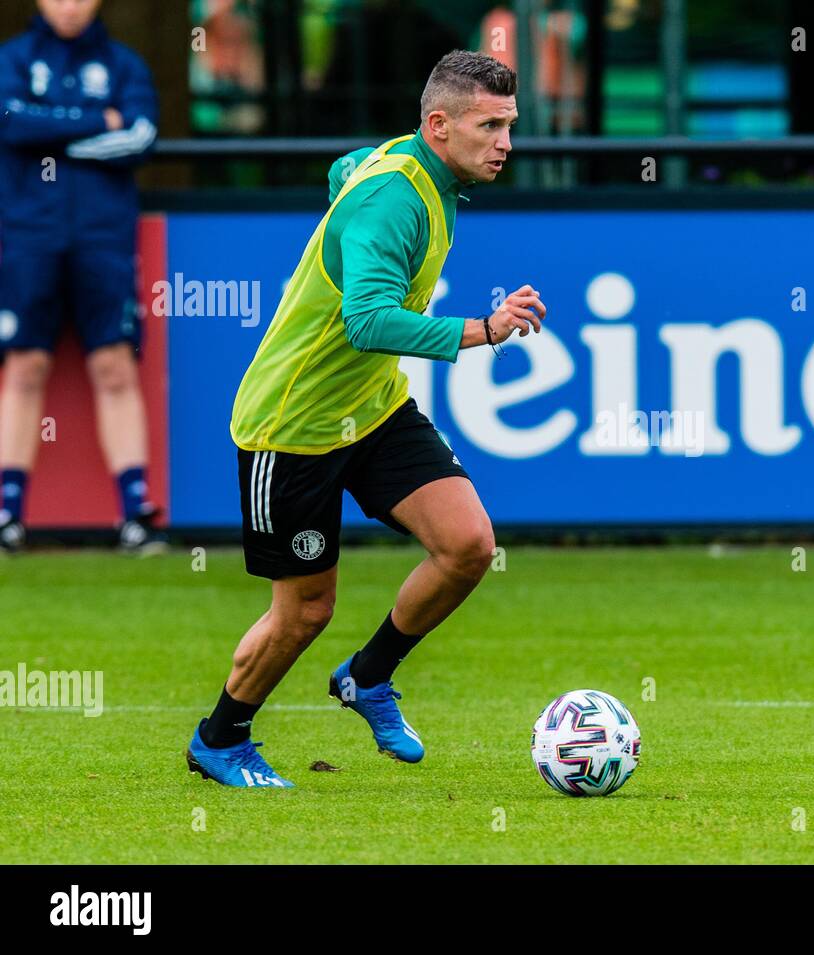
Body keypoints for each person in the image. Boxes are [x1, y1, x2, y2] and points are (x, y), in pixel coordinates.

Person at [185, 50, 547, 788]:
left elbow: (343, 170)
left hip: (371, 408)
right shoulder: (394, 198)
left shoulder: (413, 168)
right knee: (306, 610)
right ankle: (220, 739)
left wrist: (348, 208)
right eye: (491, 126)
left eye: (510, 125)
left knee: (468, 544)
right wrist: (482, 328)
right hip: (293, 426)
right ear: (439, 126)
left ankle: (367, 677)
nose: (506, 143)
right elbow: (368, 320)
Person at [0, 0, 161, 552]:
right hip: (27, 237)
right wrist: (96, 122)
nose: (69, 5)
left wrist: (52, 130)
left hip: (103, 239)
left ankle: (135, 515)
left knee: (114, 365)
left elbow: (140, 137)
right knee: (25, 364)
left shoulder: (124, 64)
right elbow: (11, 123)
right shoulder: (13, 59)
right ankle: (8, 514)